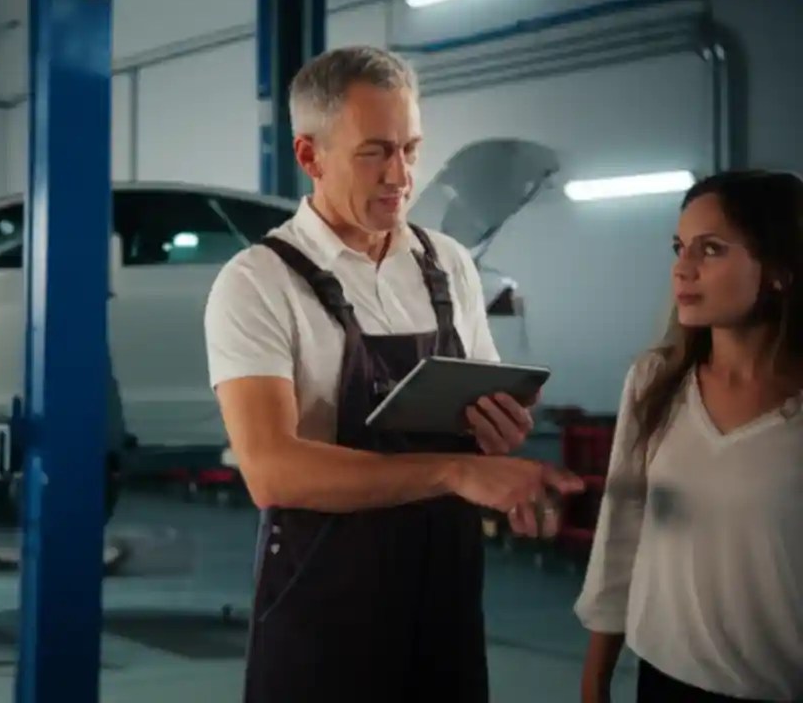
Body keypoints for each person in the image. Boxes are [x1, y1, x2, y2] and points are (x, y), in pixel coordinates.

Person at [204, 45, 584, 703]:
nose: (400, 176)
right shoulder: (258, 283)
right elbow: (271, 469)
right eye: (374, 152)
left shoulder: (449, 264)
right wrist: (455, 471)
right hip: (324, 605)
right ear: (308, 155)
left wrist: (495, 436)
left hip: (444, 593)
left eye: (410, 148)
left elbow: (483, 420)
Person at [575, 169, 803, 703]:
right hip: (664, 680)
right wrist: (595, 675)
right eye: (680, 247)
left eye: (712, 249)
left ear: (779, 271)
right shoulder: (654, 382)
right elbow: (620, 532)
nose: (682, 268)